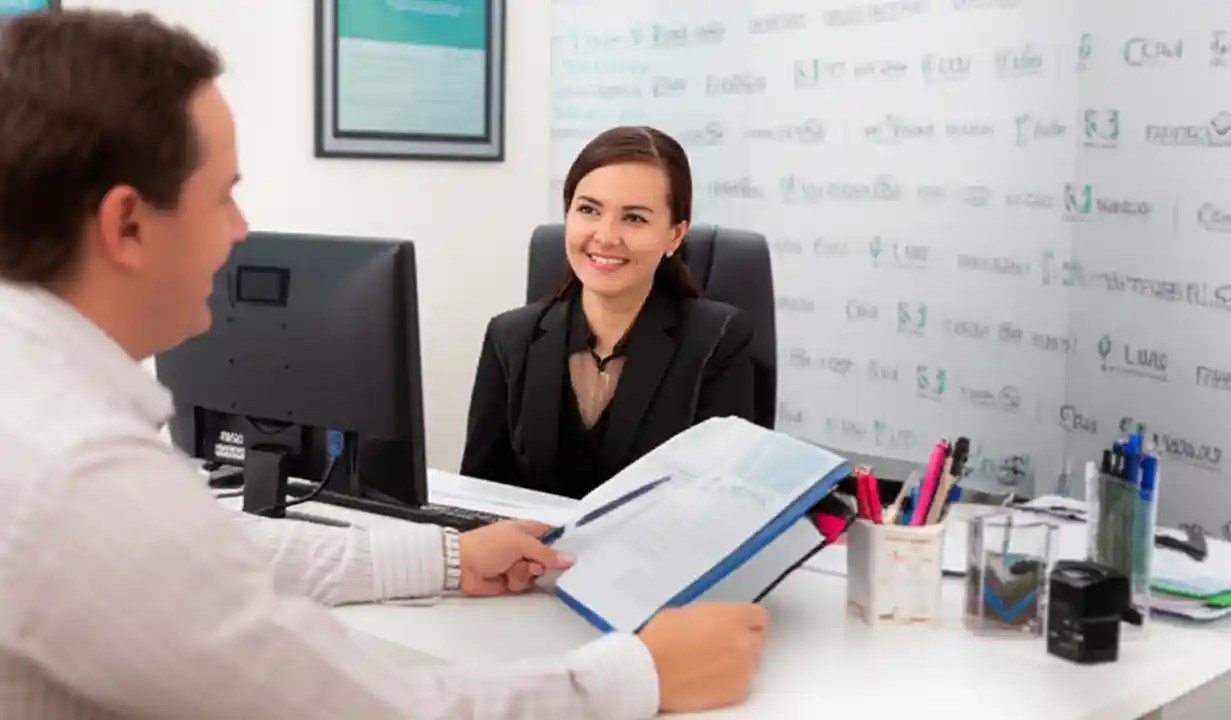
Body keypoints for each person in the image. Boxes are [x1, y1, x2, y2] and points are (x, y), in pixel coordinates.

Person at [0, 10, 768, 719]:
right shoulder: (80, 474)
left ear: (674, 233)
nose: (240, 231)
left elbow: (221, 550)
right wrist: (639, 677)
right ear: (127, 223)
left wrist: (445, 555)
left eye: (636, 216)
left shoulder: (40, 411)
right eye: (223, 197)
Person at [461, 126, 756, 499]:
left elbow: (728, 508)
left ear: (675, 235)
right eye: (588, 210)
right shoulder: (510, 338)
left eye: (634, 218)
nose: (605, 235)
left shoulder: (718, 341)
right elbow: (476, 500)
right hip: (534, 557)